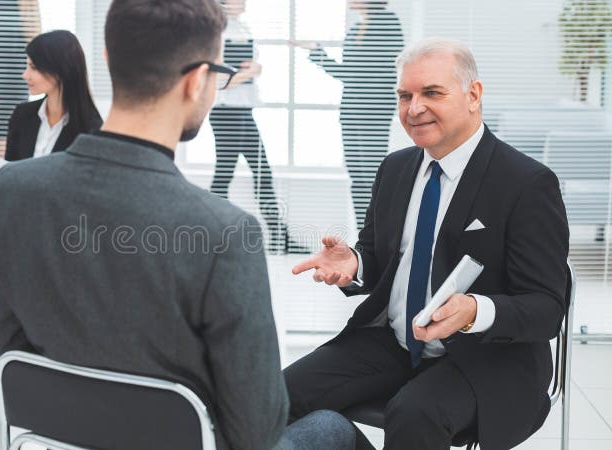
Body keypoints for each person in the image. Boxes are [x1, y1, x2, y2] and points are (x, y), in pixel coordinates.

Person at [0, 1, 355, 449]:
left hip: (61, 435)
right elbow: (257, 432)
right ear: (197, 80)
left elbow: (11, 346)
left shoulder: (12, 189)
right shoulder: (225, 232)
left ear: (109, 58)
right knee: (334, 428)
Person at [285, 37, 570, 450]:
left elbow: (546, 308)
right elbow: (380, 259)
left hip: (487, 357)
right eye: (405, 96)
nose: (413, 108)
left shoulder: (527, 183)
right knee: (277, 397)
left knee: (413, 415)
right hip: (397, 342)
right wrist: (356, 264)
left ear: (473, 95)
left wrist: (475, 310)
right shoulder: (395, 168)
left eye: (432, 93)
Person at [0, 29, 102, 344]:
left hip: (58, 230)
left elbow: (82, 198)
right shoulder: (23, 116)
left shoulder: (90, 127)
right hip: (18, 221)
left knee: (3, 234)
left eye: (33, 67)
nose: (25, 75)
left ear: (59, 70)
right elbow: (10, 174)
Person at [296, 0, 403, 228]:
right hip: (351, 110)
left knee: (372, 174)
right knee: (357, 175)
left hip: (373, 110)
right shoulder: (355, 29)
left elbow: (378, 69)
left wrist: (321, 55)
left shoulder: (388, 23)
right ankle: (364, 232)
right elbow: (348, 73)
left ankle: (380, 231)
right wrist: (317, 52)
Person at [209, 0, 301, 254]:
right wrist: (249, 73)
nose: (243, 2)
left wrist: (255, 70)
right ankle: (213, 235)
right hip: (226, 111)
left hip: (243, 110)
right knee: (226, 173)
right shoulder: (217, 32)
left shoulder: (242, 28)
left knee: (261, 172)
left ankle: (279, 237)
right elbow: (216, 81)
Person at [0, 0, 41, 149]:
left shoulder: (5, 6)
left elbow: (5, 44)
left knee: (9, 129)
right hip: (5, 75)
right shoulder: (7, 5)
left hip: (10, 76)